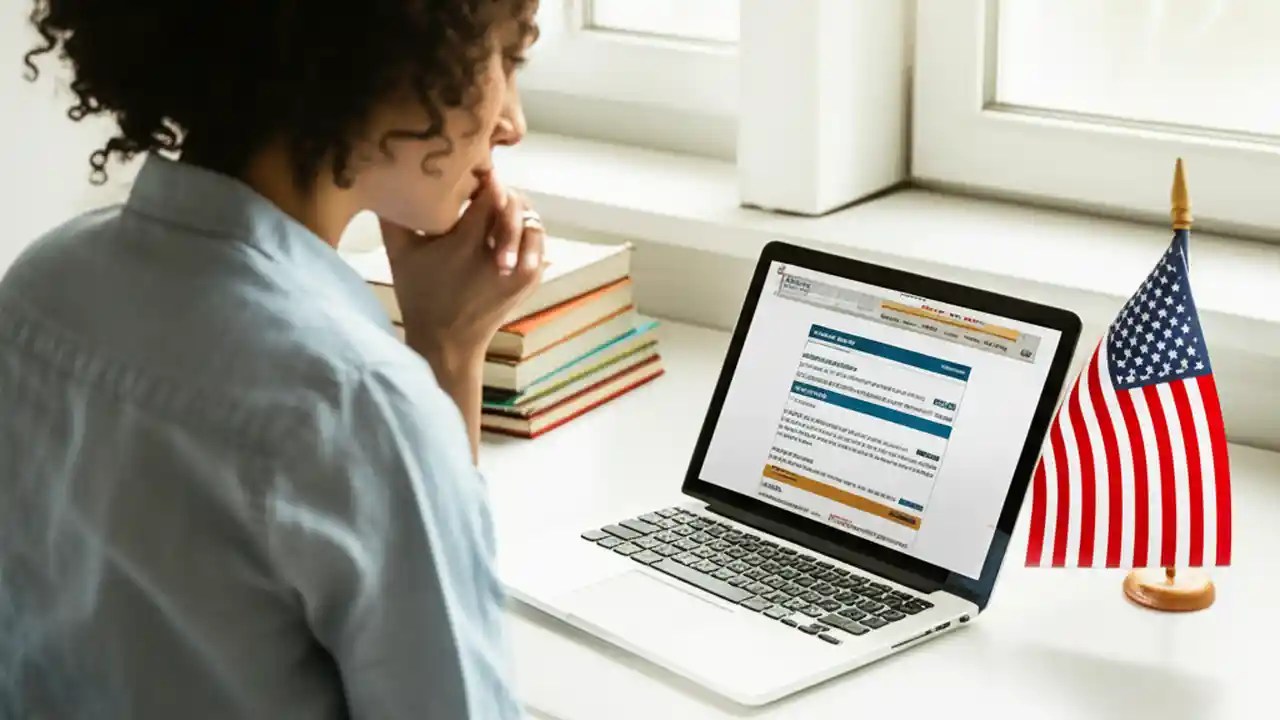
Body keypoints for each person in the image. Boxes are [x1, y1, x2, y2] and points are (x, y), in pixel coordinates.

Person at [0, 1, 543, 718]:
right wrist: (438, 360)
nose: (512, 122)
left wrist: (445, 347)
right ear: (384, 55)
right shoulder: (357, 405)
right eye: (504, 58)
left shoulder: (39, 291)